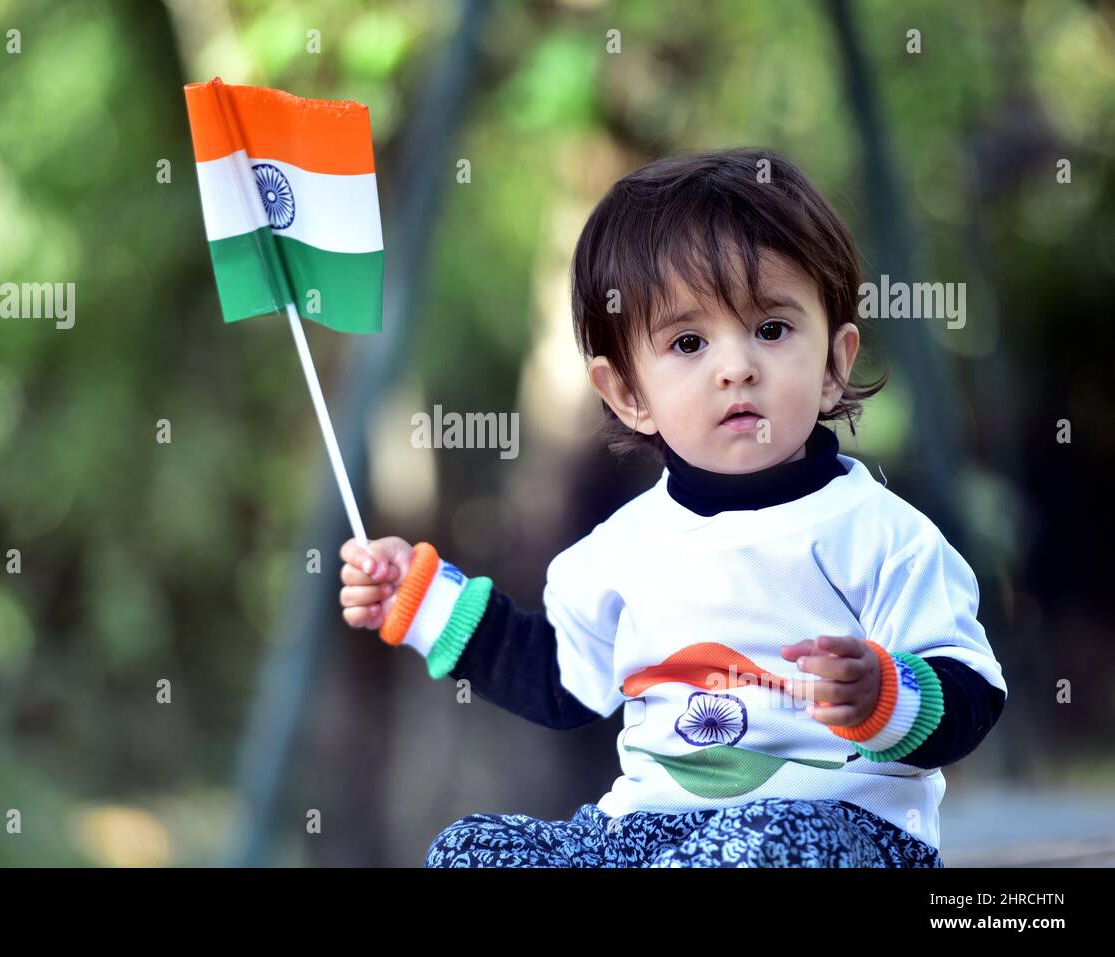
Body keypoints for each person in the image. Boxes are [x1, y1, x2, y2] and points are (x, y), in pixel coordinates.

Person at [338, 148, 1007, 867]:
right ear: (627, 393)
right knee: (472, 849)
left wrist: (885, 692)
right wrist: (417, 598)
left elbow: (973, 692)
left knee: (753, 852)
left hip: (839, 830)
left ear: (835, 362)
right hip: (650, 834)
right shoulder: (623, 549)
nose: (736, 366)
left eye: (772, 329)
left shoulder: (879, 534)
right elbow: (555, 676)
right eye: (688, 341)